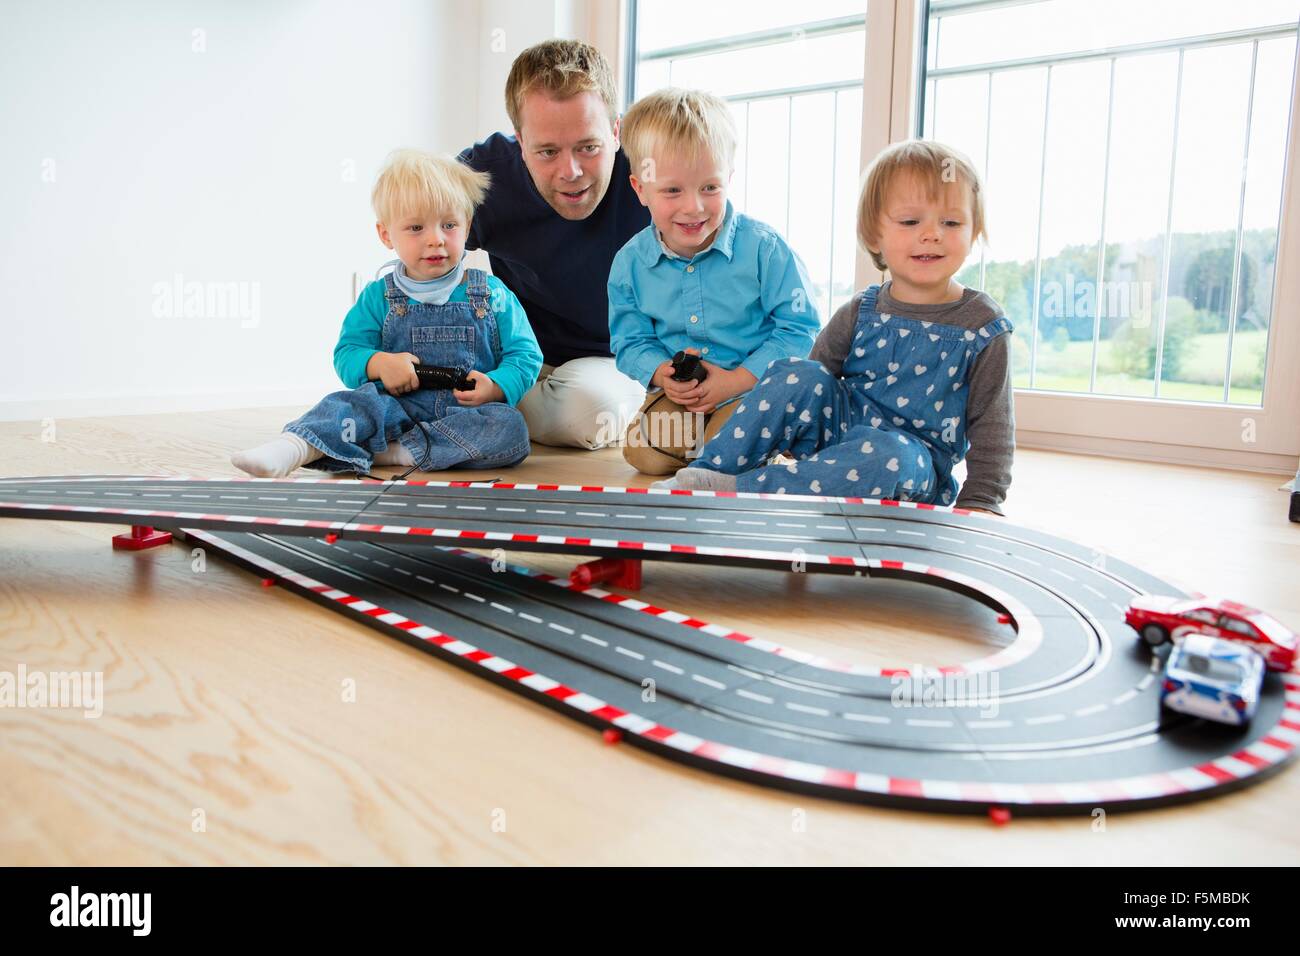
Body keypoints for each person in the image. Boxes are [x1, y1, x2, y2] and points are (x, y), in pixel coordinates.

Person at [661, 140, 1014, 516]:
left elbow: (993, 427)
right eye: (911, 222)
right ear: (874, 234)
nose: (931, 234)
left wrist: (982, 502)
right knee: (795, 372)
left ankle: (746, 490)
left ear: (974, 232)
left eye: (951, 222)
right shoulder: (861, 310)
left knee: (889, 455)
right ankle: (705, 475)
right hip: (838, 438)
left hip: (911, 466)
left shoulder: (983, 327)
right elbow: (809, 385)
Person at [231, 149, 541, 478]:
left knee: (510, 429)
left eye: (449, 225)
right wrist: (380, 364)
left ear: (467, 227)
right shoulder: (379, 296)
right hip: (395, 407)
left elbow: (525, 354)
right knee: (348, 404)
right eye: (416, 228)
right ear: (385, 235)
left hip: (465, 413)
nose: (436, 239)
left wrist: (496, 385)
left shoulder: (492, 294)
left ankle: (402, 452)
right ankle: (295, 446)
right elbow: (348, 353)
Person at [608, 87, 819, 475]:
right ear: (641, 189)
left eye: (710, 187)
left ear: (729, 178)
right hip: (684, 397)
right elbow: (630, 341)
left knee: (727, 452)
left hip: (751, 389)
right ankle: (718, 450)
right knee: (646, 457)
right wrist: (662, 375)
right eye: (673, 190)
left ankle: (747, 445)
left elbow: (799, 329)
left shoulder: (764, 249)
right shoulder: (629, 264)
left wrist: (736, 380)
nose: (694, 207)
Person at [458, 39, 649, 449]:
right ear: (520, 142)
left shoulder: (655, 165)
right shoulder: (481, 175)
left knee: (590, 409)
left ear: (616, 131)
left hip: (611, 362)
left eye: (589, 147)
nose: (572, 171)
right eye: (547, 151)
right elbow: (415, 241)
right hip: (517, 354)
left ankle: (483, 410)